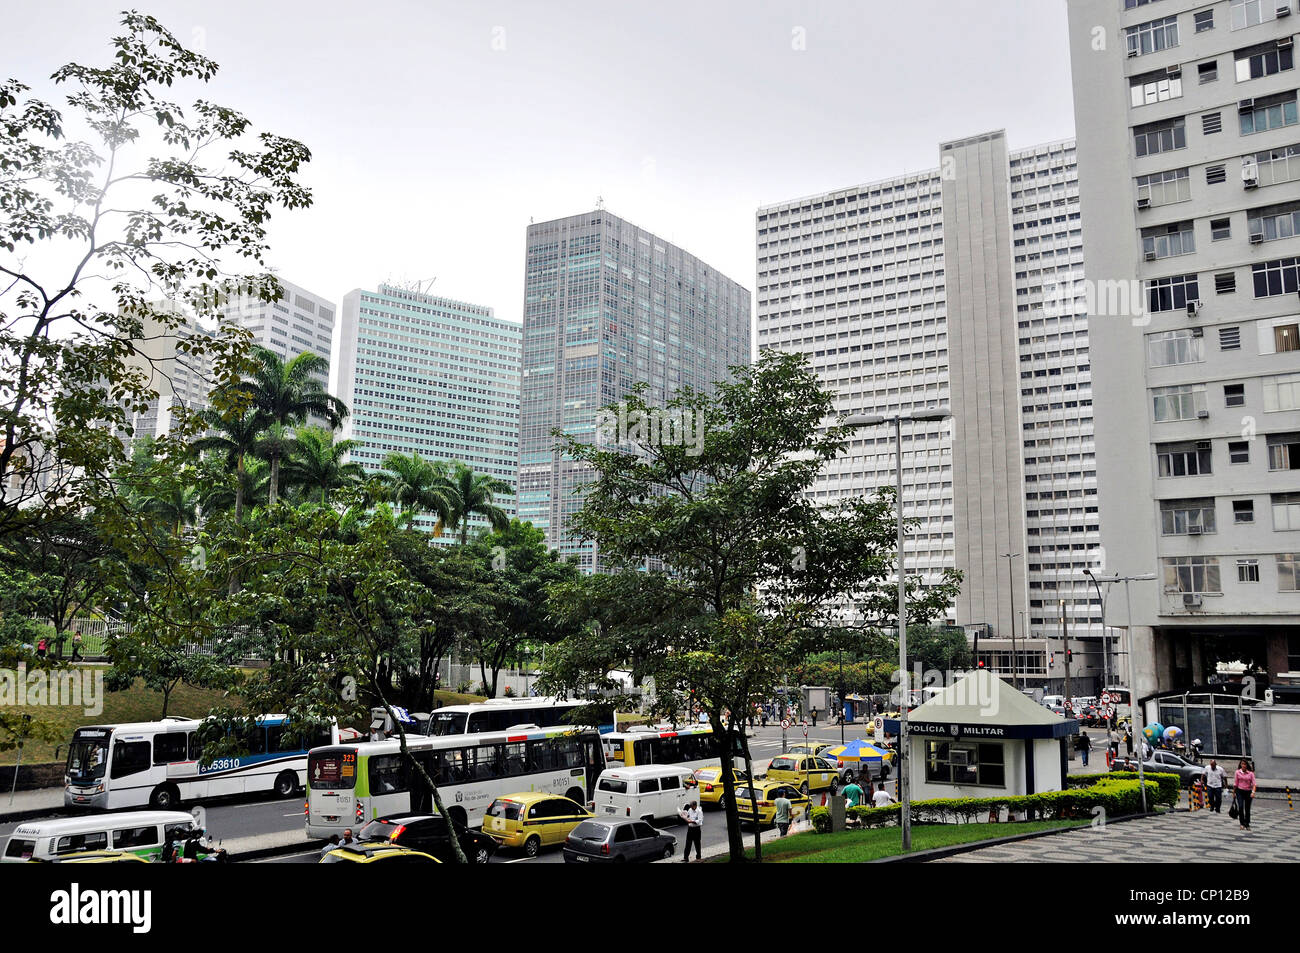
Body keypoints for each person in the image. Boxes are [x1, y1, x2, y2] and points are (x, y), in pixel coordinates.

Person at [1233, 759, 1256, 831]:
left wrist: (1253, 792)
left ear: (1247, 765)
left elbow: (1254, 784)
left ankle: (1247, 823)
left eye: (1245, 764)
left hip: (1248, 791)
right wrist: (1234, 792)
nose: (1243, 766)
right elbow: (1235, 783)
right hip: (1239, 791)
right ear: (1240, 765)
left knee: (1247, 808)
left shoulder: (1251, 773)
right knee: (1240, 806)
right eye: (1242, 764)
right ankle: (1242, 823)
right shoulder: (1237, 772)